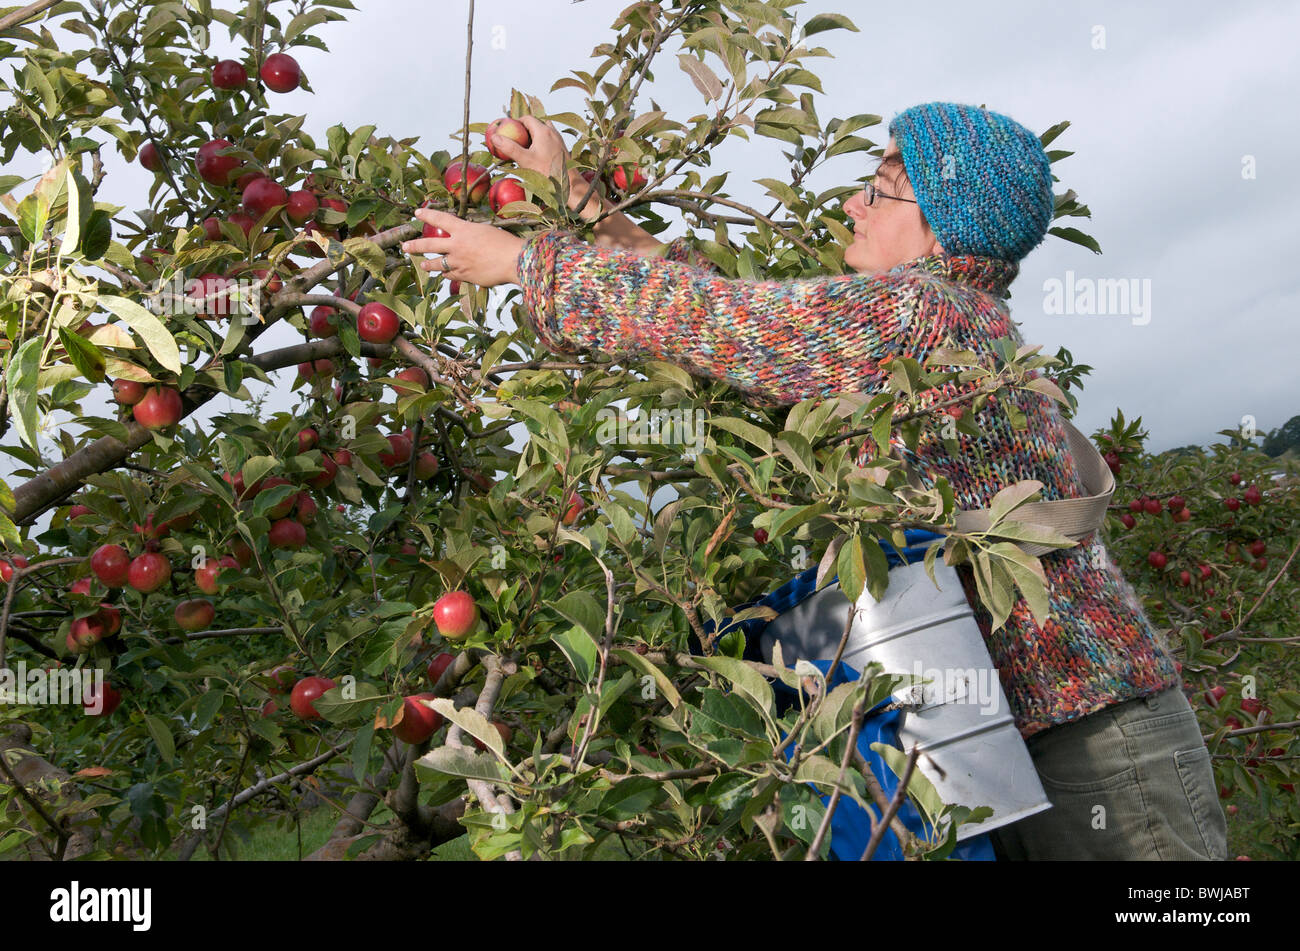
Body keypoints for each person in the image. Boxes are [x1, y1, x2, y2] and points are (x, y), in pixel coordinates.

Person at [401, 102, 1228, 861]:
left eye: (877, 190)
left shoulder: (922, 314)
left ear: (943, 229)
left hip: (1097, 738)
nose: (852, 207)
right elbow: (736, 316)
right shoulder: (939, 323)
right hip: (1012, 730)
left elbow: (730, 324)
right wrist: (583, 202)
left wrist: (525, 263)